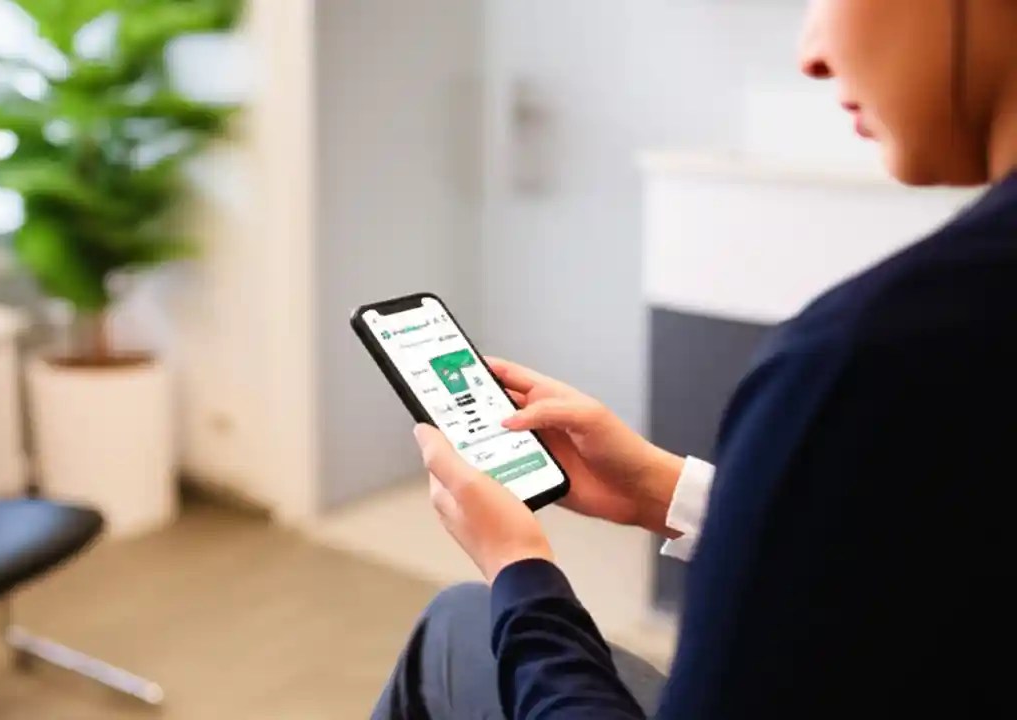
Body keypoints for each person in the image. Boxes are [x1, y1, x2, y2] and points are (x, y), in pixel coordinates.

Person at [372, 0, 1017, 718]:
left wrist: (518, 568)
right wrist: (660, 489)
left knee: (462, 622)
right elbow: (928, 571)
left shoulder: (862, 359)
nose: (810, 52)